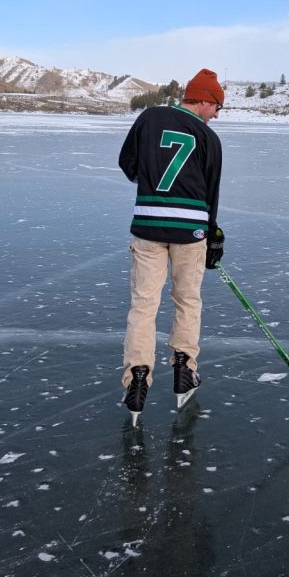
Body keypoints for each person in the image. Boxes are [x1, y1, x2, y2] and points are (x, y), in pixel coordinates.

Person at [118, 68, 226, 424]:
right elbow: (211, 192)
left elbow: (127, 163)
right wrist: (212, 235)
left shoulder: (149, 117)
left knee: (144, 306)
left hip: (148, 225)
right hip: (191, 232)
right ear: (205, 100)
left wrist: (148, 179)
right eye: (217, 108)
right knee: (188, 300)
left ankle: (136, 380)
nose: (216, 116)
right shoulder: (209, 139)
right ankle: (184, 369)